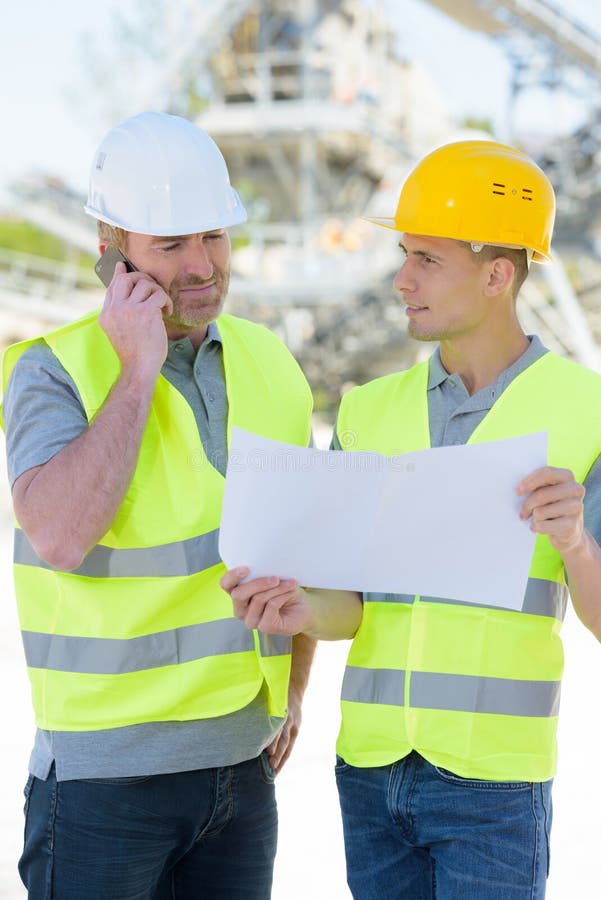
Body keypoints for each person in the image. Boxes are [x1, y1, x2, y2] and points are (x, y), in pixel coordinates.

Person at [221, 140, 601, 900]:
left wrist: (573, 542)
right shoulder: (367, 413)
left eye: (426, 259)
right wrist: (302, 607)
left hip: (492, 786)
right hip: (369, 775)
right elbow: (349, 610)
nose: (399, 279)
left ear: (497, 274)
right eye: (403, 255)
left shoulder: (585, 412)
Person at [1, 110, 316, 900]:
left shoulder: (267, 360)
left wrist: (293, 691)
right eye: (169, 246)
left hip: (241, 774)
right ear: (113, 254)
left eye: (212, 236)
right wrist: (136, 370)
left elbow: (302, 542)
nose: (202, 265)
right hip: (106, 785)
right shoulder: (53, 371)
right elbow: (61, 537)